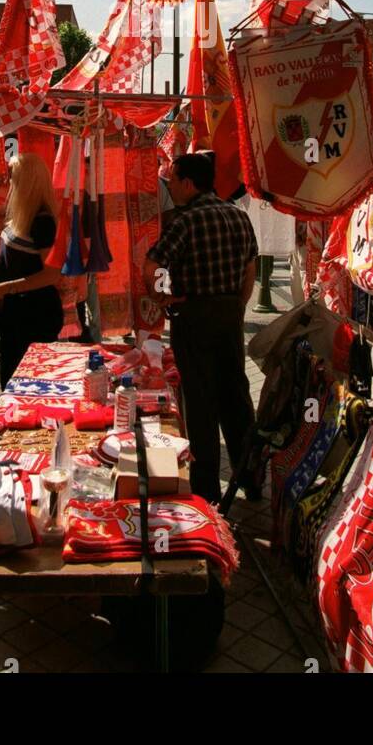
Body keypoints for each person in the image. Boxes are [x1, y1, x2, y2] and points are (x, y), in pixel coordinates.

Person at [143, 152, 259, 504]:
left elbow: (151, 266)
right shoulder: (238, 217)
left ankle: (206, 489)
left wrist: (162, 297)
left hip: (193, 315)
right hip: (228, 313)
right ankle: (251, 477)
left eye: (173, 179)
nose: (171, 185)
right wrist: (237, 304)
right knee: (236, 396)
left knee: (201, 401)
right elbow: (250, 268)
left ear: (188, 183)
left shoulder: (185, 221)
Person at [0, 154, 62, 388]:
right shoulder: (23, 215)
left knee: (26, 385)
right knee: (12, 381)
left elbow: (52, 274)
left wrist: (6, 287)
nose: (8, 181)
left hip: (34, 315)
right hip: (16, 314)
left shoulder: (42, 221)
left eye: (12, 176)